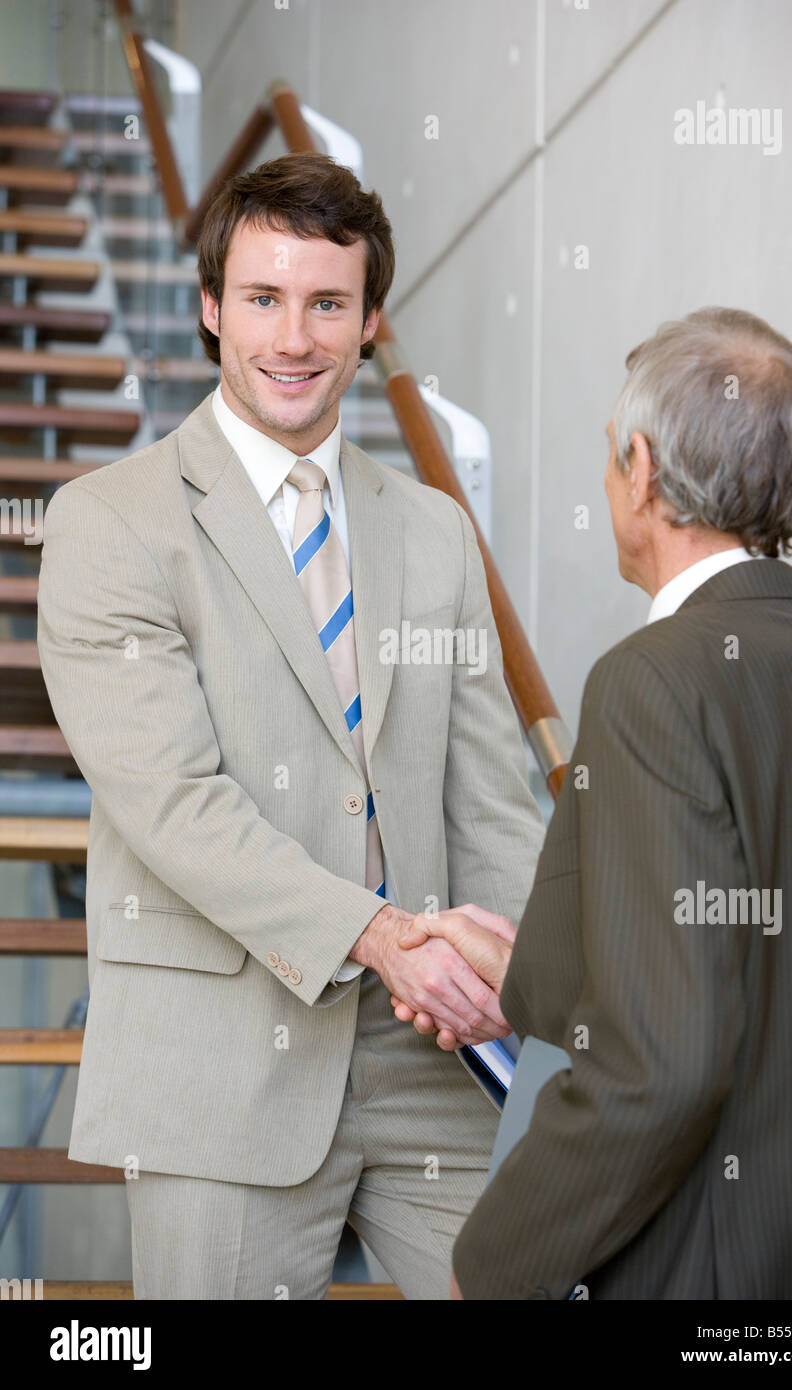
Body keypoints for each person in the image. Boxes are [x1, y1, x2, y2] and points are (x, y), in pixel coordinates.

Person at [36, 152, 545, 1300]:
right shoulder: (108, 524)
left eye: (327, 303)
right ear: (212, 307)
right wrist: (379, 933)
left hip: (434, 1048)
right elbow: (175, 803)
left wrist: (517, 975)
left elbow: (490, 800)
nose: (293, 338)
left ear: (369, 322)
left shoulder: (432, 531)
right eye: (262, 299)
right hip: (221, 1056)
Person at [414, 307, 792, 1298]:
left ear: (642, 469)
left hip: (705, 1260)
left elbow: (659, 1062)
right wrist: (533, 970)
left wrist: (491, 1266)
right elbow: (758, 957)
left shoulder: (649, 682)